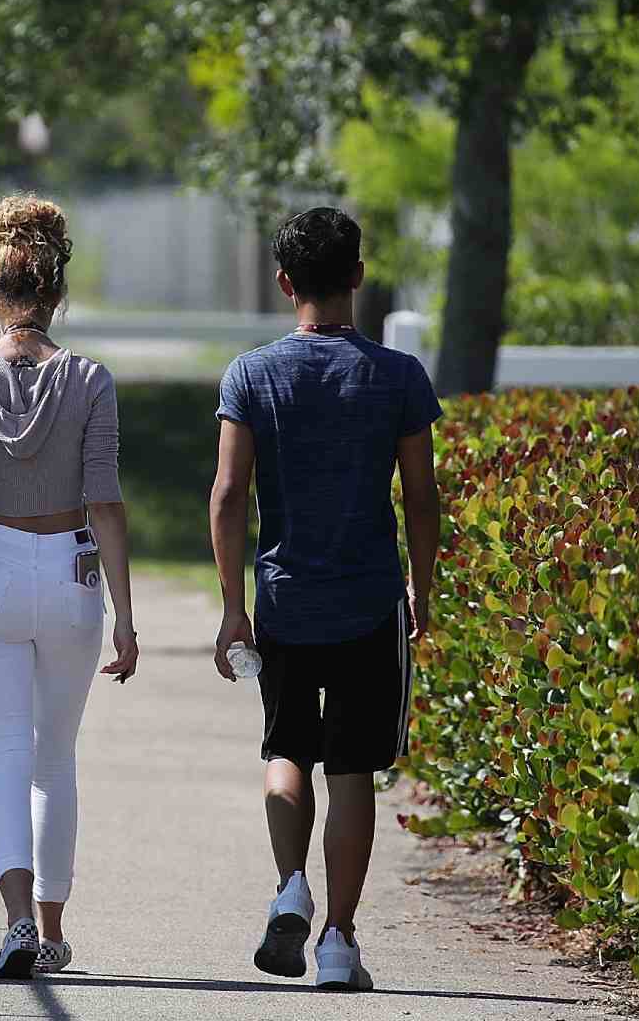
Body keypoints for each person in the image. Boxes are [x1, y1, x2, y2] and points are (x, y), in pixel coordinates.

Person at [208, 206, 443, 992]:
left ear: (284, 283)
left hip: (282, 600)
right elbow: (422, 500)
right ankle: (338, 942)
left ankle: (290, 888)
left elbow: (229, 495)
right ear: (359, 277)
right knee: (350, 771)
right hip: (369, 602)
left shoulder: (251, 376)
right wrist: (422, 589)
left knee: (285, 753)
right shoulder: (399, 377)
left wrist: (234, 606)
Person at [0, 194, 138, 980]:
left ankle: (15, 919)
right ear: (57, 291)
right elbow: (105, 501)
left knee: (5, 757)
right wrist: (125, 616)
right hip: (71, 570)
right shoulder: (90, 380)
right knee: (56, 760)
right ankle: (52, 929)